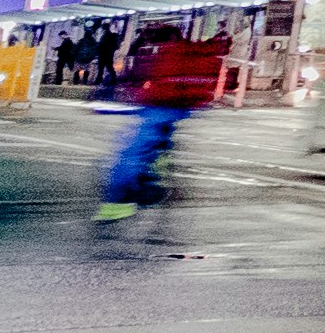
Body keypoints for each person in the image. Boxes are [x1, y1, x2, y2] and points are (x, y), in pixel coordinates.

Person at [95, 30, 231, 219]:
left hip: (160, 106)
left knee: (134, 150)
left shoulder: (169, 53)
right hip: (177, 106)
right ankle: (152, 174)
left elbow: (150, 82)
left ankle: (120, 200)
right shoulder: (190, 54)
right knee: (157, 140)